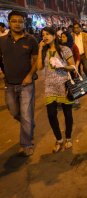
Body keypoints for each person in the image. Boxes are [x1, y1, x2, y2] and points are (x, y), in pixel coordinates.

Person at [0, 10, 38, 156]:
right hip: (9, 84)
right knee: (14, 112)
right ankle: (28, 125)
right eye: (14, 21)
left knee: (27, 114)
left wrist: (30, 75)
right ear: (9, 22)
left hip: (26, 84)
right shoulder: (2, 41)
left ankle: (27, 143)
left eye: (20, 21)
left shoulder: (31, 40)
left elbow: (35, 61)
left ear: (24, 23)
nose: (17, 24)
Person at [37, 27, 76, 153]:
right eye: (43, 35)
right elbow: (39, 67)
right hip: (49, 86)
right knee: (51, 114)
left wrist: (62, 66)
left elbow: (73, 67)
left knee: (67, 114)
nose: (45, 36)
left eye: (48, 34)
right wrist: (39, 49)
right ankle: (59, 139)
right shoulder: (44, 51)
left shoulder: (64, 49)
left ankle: (68, 138)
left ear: (54, 36)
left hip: (63, 85)